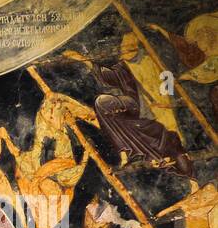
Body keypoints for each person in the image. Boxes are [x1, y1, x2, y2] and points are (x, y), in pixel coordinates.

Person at [64, 34, 193, 176]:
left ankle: (132, 152)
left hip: (157, 111)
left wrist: (166, 103)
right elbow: (105, 75)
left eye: (128, 47)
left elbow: (168, 87)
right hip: (136, 108)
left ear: (136, 47)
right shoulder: (122, 68)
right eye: (122, 47)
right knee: (103, 104)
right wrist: (80, 58)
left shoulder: (151, 61)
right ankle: (125, 151)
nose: (122, 50)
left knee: (177, 152)